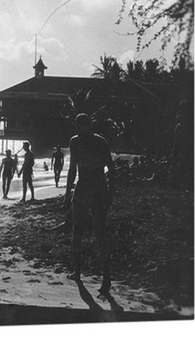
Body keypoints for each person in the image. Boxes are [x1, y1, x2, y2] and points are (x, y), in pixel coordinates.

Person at [66, 113, 115, 293]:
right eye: (78, 127)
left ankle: (89, 273)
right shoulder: (96, 141)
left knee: (86, 231)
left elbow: (73, 169)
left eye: (81, 126)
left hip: (89, 187)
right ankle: (86, 272)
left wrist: (68, 193)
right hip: (95, 187)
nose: (79, 130)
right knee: (92, 231)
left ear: (87, 126)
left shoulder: (79, 141)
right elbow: (110, 168)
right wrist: (110, 192)